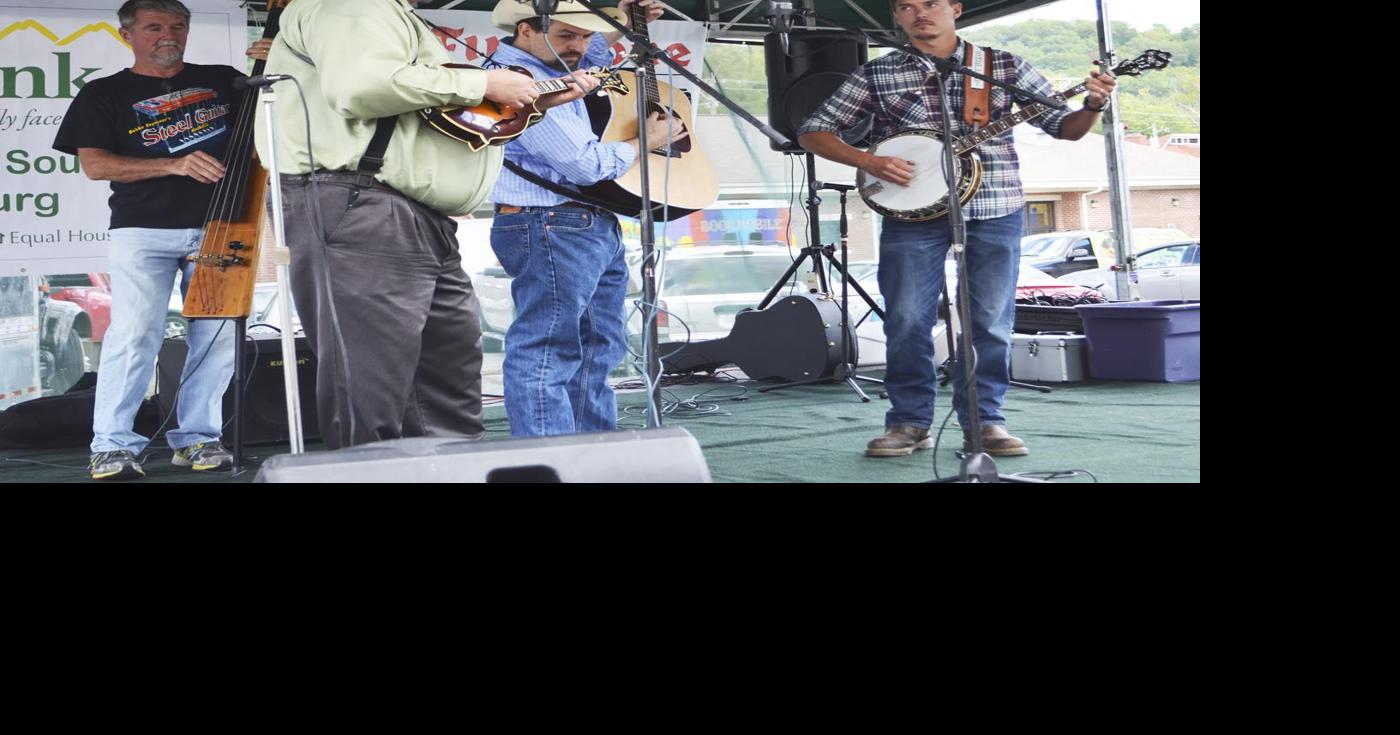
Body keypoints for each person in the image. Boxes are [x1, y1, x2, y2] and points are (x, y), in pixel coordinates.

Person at [254, 0, 596, 449]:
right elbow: (360, 87)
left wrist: (531, 99)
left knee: (446, 377)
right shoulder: (353, 5)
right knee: (373, 383)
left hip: (404, 212)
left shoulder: (390, 14)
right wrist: (484, 81)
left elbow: (431, 111)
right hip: (362, 204)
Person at [798, 0, 1116, 457]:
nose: (919, 13)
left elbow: (1065, 129)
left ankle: (986, 422)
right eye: (906, 6)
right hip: (911, 215)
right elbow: (814, 131)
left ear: (955, 8)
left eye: (930, 3)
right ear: (897, 17)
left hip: (995, 206)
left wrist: (1091, 104)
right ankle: (909, 422)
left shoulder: (1001, 66)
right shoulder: (877, 73)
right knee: (907, 320)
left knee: (990, 322)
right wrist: (869, 160)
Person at [53, 0, 272, 480]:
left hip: (224, 226)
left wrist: (282, 63)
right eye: (154, 26)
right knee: (134, 335)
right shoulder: (104, 93)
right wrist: (174, 163)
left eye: (178, 25)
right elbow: (96, 165)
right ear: (126, 34)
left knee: (216, 339)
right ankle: (112, 445)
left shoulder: (225, 79)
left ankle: (198, 438)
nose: (168, 34)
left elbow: (274, 124)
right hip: (143, 229)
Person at [488, 0, 684, 437]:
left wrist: (621, 20)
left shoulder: (549, 61)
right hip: (549, 221)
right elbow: (585, 166)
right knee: (548, 348)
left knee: (599, 347)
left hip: (577, 221)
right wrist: (645, 141)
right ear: (526, 30)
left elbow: (592, 58)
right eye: (566, 35)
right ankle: (551, 457)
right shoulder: (525, 83)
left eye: (584, 34)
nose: (579, 46)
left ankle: (594, 451)